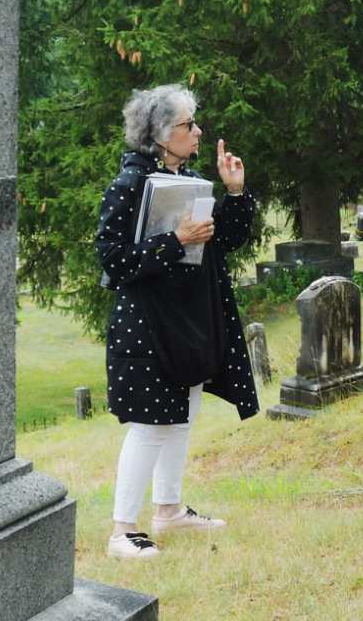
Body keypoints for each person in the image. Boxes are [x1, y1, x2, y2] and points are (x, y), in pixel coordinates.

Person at [94, 84, 257, 560]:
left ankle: (169, 510)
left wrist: (234, 192)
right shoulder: (129, 186)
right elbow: (113, 261)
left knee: (181, 416)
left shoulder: (185, 179)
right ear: (161, 134)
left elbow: (222, 241)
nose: (198, 131)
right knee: (148, 424)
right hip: (147, 324)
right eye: (189, 125)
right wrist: (175, 240)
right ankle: (122, 530)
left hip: (189, 319)